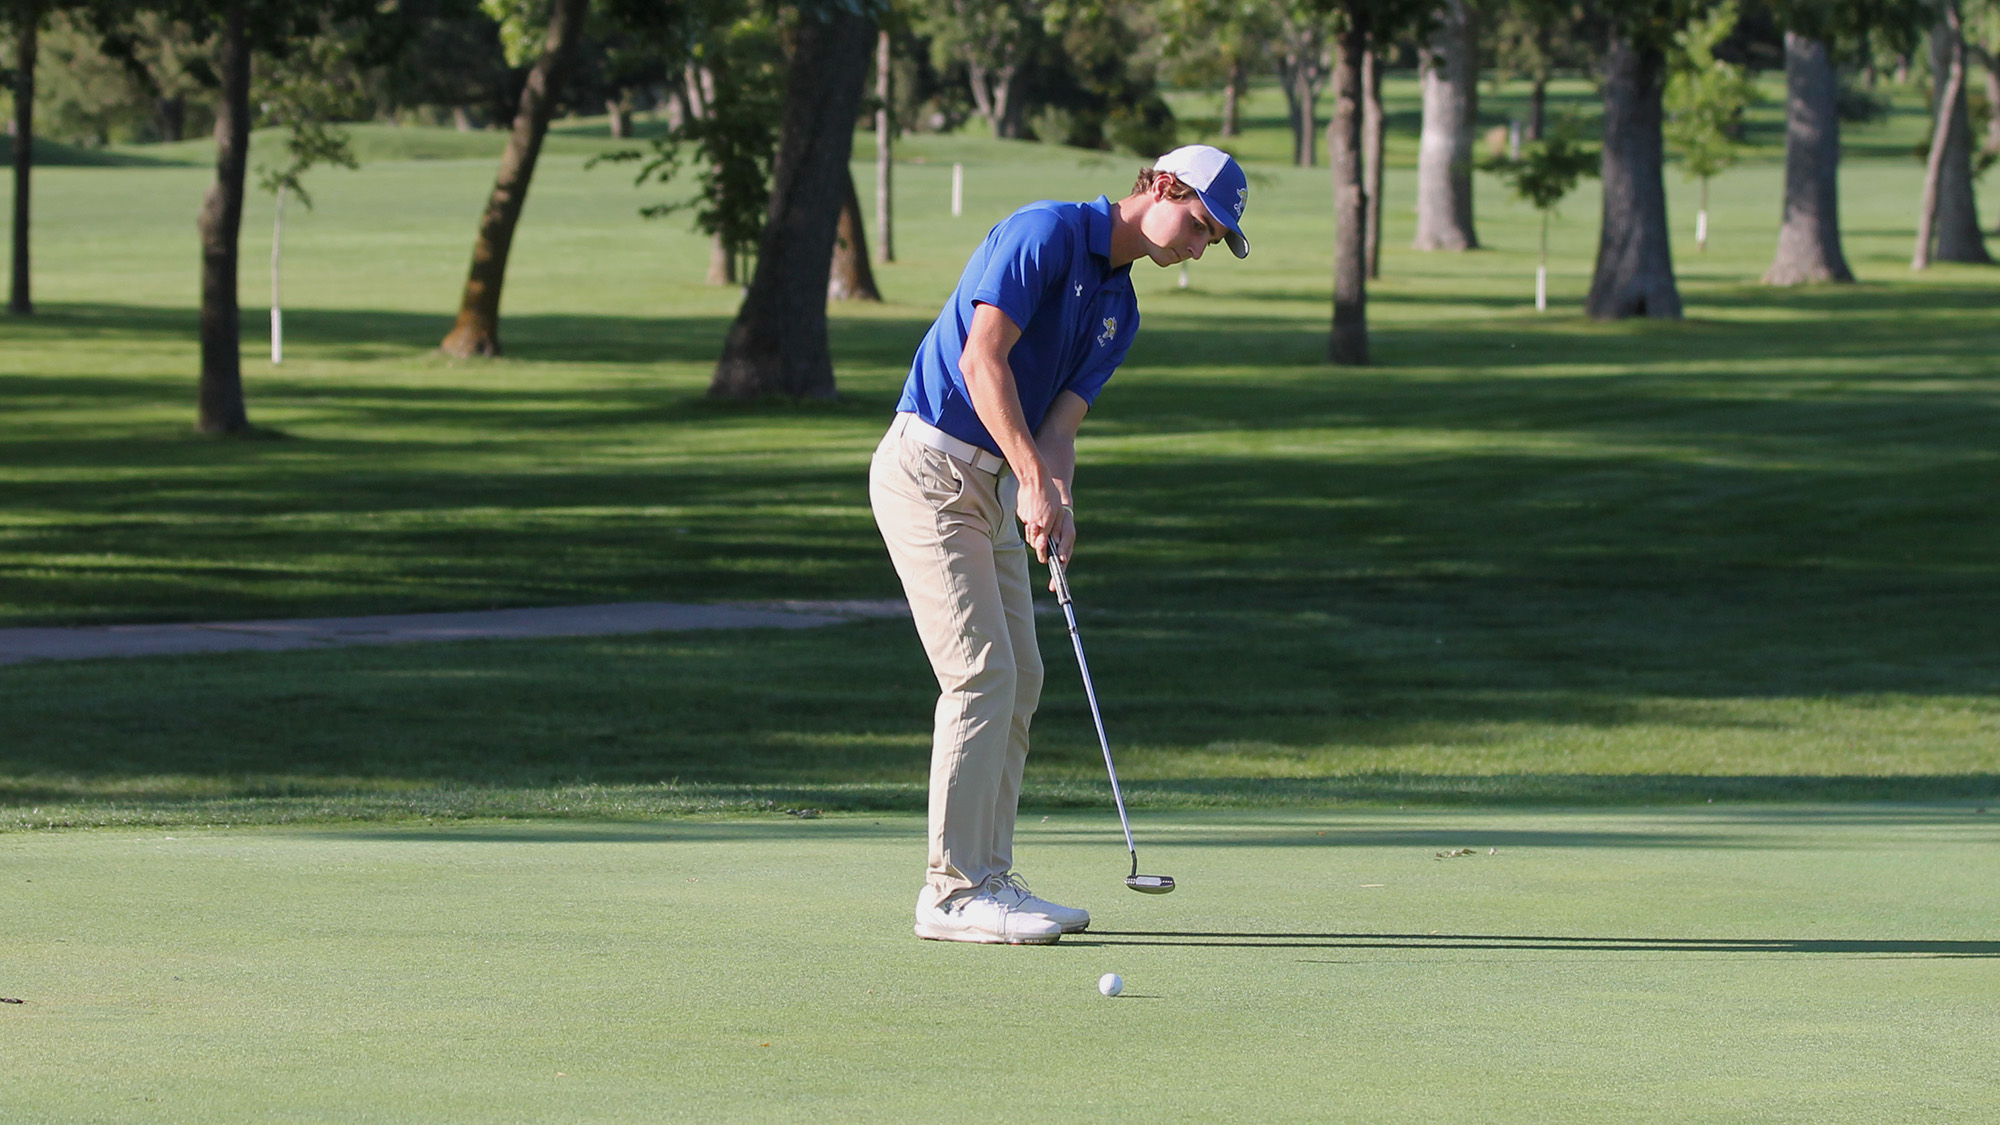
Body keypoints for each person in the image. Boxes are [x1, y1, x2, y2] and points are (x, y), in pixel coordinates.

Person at [869, 145, 1251, 945]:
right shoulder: (1044, 232)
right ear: (1161, 186)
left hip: (998, 484)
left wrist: (1056, 494)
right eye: (1198, 222)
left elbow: (1059, 427)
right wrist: (1031, 480)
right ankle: (951, 892)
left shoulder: (1124, 309)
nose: (1197, 244)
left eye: (1212, 238)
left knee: (1024, 675)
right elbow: (983, 360)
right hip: (930, 467)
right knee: (980, 670)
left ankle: (991, 876)